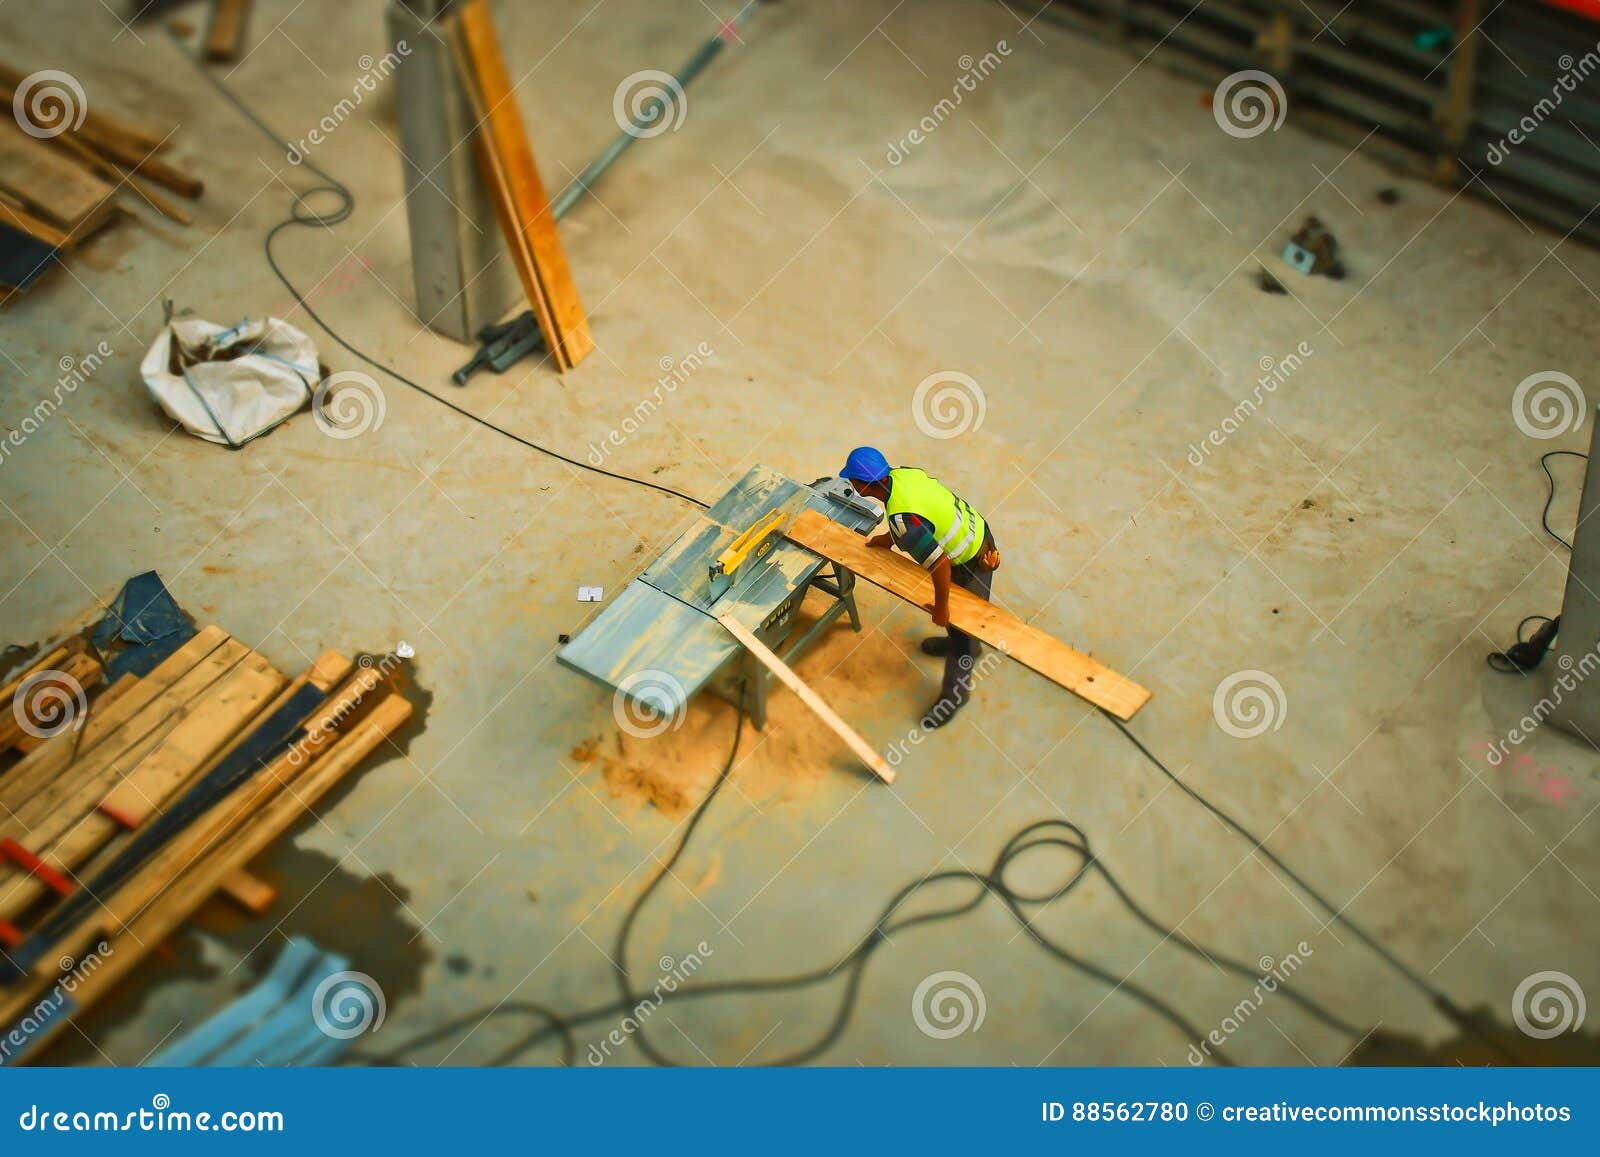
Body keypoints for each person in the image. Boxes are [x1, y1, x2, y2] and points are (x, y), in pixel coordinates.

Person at [838, 446, 1000, 729]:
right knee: (958, 630)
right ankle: (962, 643)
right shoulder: (902, 475)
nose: (850, 484)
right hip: (978, 530)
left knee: (963, 632)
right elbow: (919, 513)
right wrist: (889, 540)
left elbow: (940, 565)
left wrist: (942, 608)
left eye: (851, 480)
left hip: (971, 559)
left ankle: (955, 694)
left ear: (863, 486)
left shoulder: (903, 523)